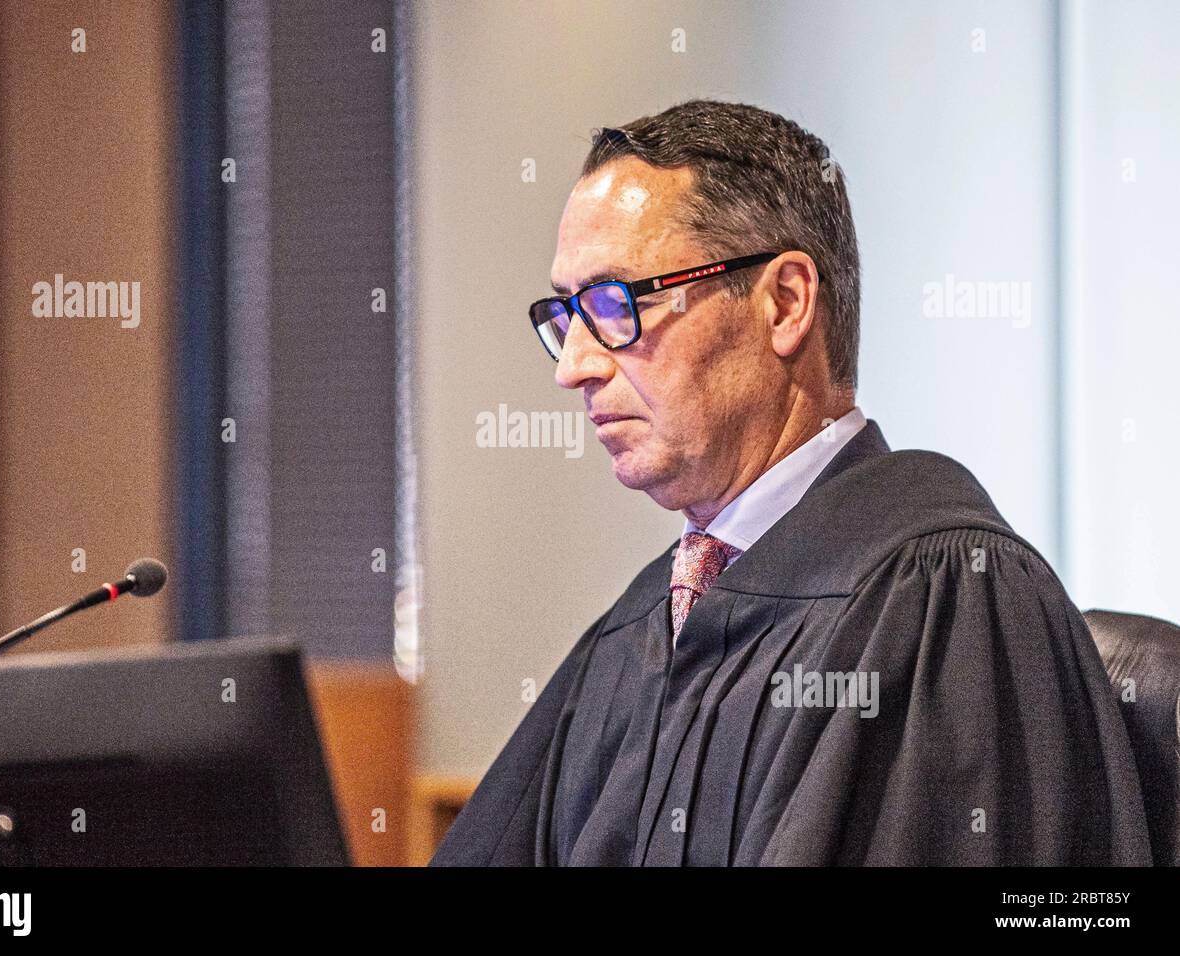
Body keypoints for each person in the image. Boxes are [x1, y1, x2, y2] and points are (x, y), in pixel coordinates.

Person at [431, 100, 1150, 866]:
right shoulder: (641, 625)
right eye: (567, 315)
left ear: (784, 303)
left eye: (615, 305)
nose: (572, 364)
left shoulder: (945, 596)